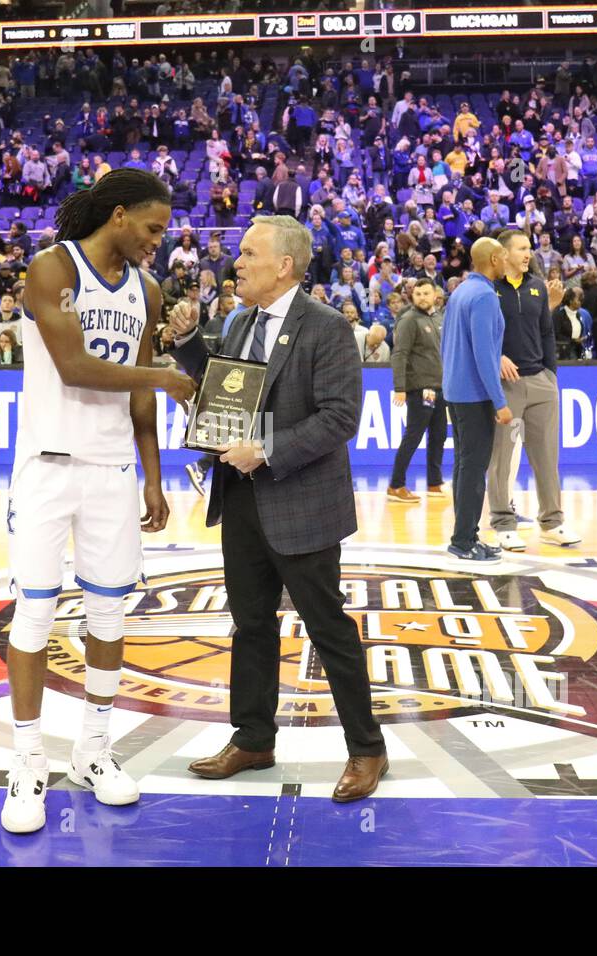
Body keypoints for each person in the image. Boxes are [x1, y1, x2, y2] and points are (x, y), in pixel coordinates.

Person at [168, 215, 389, 803]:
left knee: (328, 627)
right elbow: (223, 387)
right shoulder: (239, 322)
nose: (235, 263)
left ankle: (367, 749)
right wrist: (191, 344)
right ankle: (253, 737)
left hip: (302, 501)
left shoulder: (326, 328)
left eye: (247, 254)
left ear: (284, 265)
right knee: (251, 624)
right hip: (240, 500)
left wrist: (265, 449)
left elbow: (340, 417)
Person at [2, 169, 196, 835]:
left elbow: (139, 396)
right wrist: (165, 375)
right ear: (118, 215)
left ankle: (93, 750)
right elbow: (77, 366)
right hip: (49, 466)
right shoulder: (50, 268)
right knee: (34, 610)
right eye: (152, 228)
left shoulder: (146, 288)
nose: (157, 242)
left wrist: (152, 474)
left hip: (114, 468)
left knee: (110, 613)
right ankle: (27, 761)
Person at [486, 230, 581, 551]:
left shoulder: (538, 288)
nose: (529, 254)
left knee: (546, 457)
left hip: (541, 380)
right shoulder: (489, 289)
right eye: (522, 248)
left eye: (529, 248)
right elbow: (480, 333)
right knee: (501, 458)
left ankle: (552, 522)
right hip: (505, 384)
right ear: (504, 253)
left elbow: (546, 334)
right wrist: (495, 357)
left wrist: (550, 374)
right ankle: (502, 523)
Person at [441, 236, 514, 562]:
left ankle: (465, 534)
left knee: (463, 465)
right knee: (473, 469)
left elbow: (447, 342)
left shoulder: (460, 291)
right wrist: (499, 401)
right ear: (495, 258)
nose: (507, 261)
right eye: (504, 256)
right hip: (475, 395)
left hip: (455, 391)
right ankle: (463, 539)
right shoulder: (484, 296)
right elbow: (486, 355)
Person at [387, 277, 445, 501]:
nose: (422, 297)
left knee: (438, 436)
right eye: (418, 294)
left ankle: (434, 482)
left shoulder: (439, 318)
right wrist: (399, 387)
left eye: (426, 293)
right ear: (412, 296)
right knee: (413, 435)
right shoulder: (409, 319)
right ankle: (396, 485)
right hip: (420, 388)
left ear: (434, 295)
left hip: (440, 387)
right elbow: (399, 354)